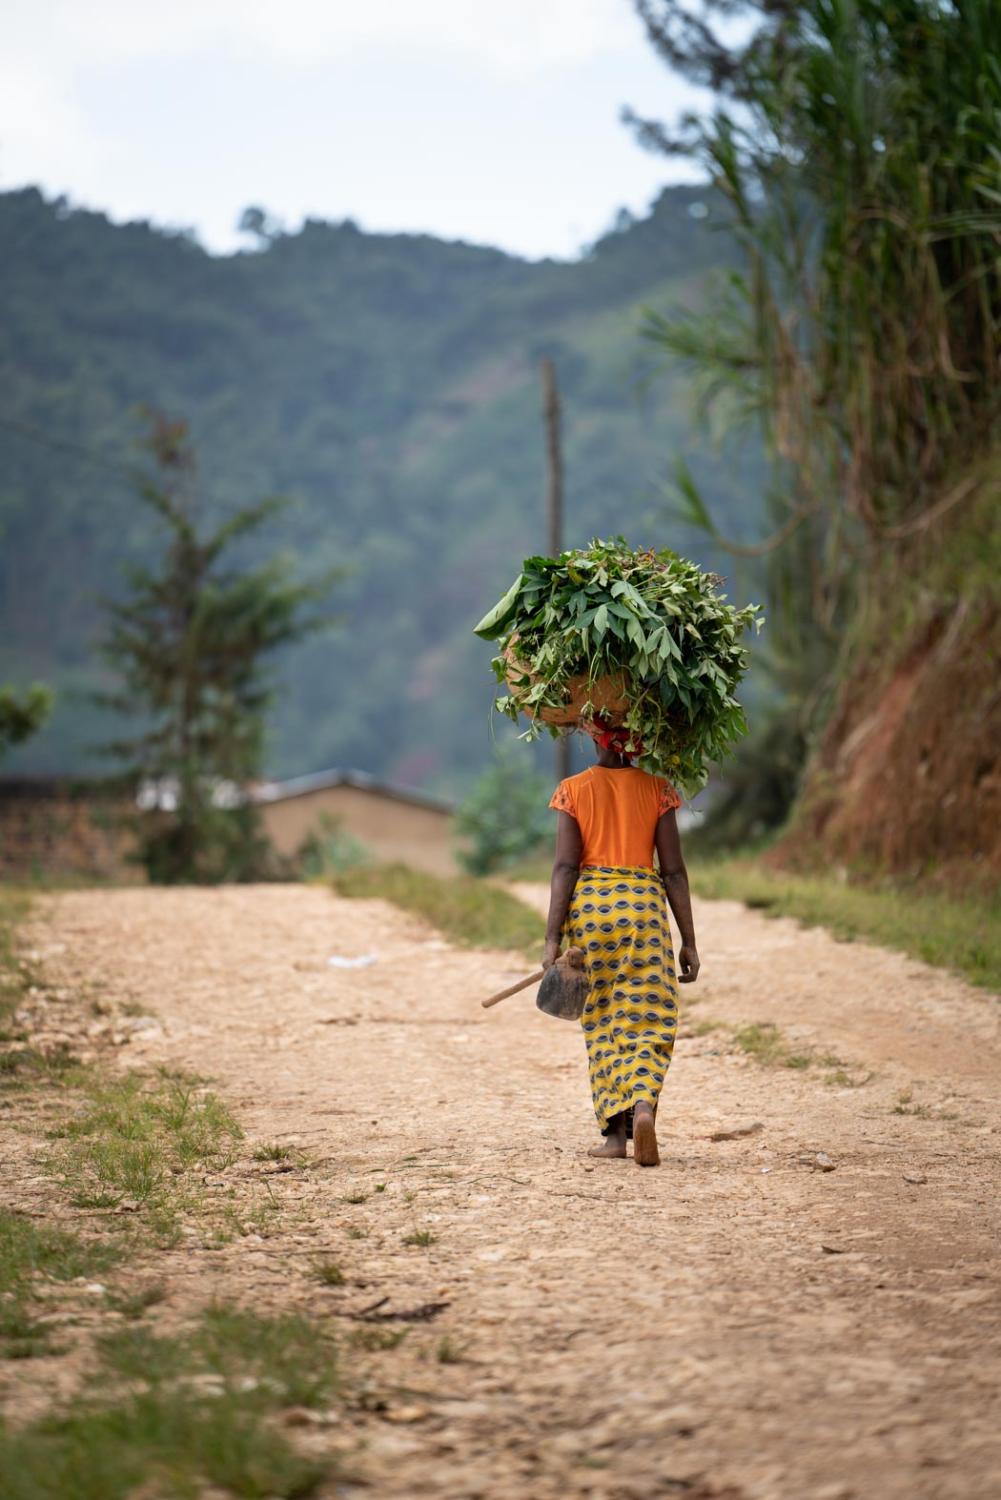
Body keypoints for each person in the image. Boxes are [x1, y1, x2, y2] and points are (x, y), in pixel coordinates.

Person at [543, 719, 699, 1167]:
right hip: (644, 910)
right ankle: (644, 1104)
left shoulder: (574, 790)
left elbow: (565, 869)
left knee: (602, 1016)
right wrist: (688, 941)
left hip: (593, 911)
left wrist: (553, 939)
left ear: (594, 737)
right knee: (650, 1011)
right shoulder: (658, 790)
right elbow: (672, 871)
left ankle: (614, 1136)